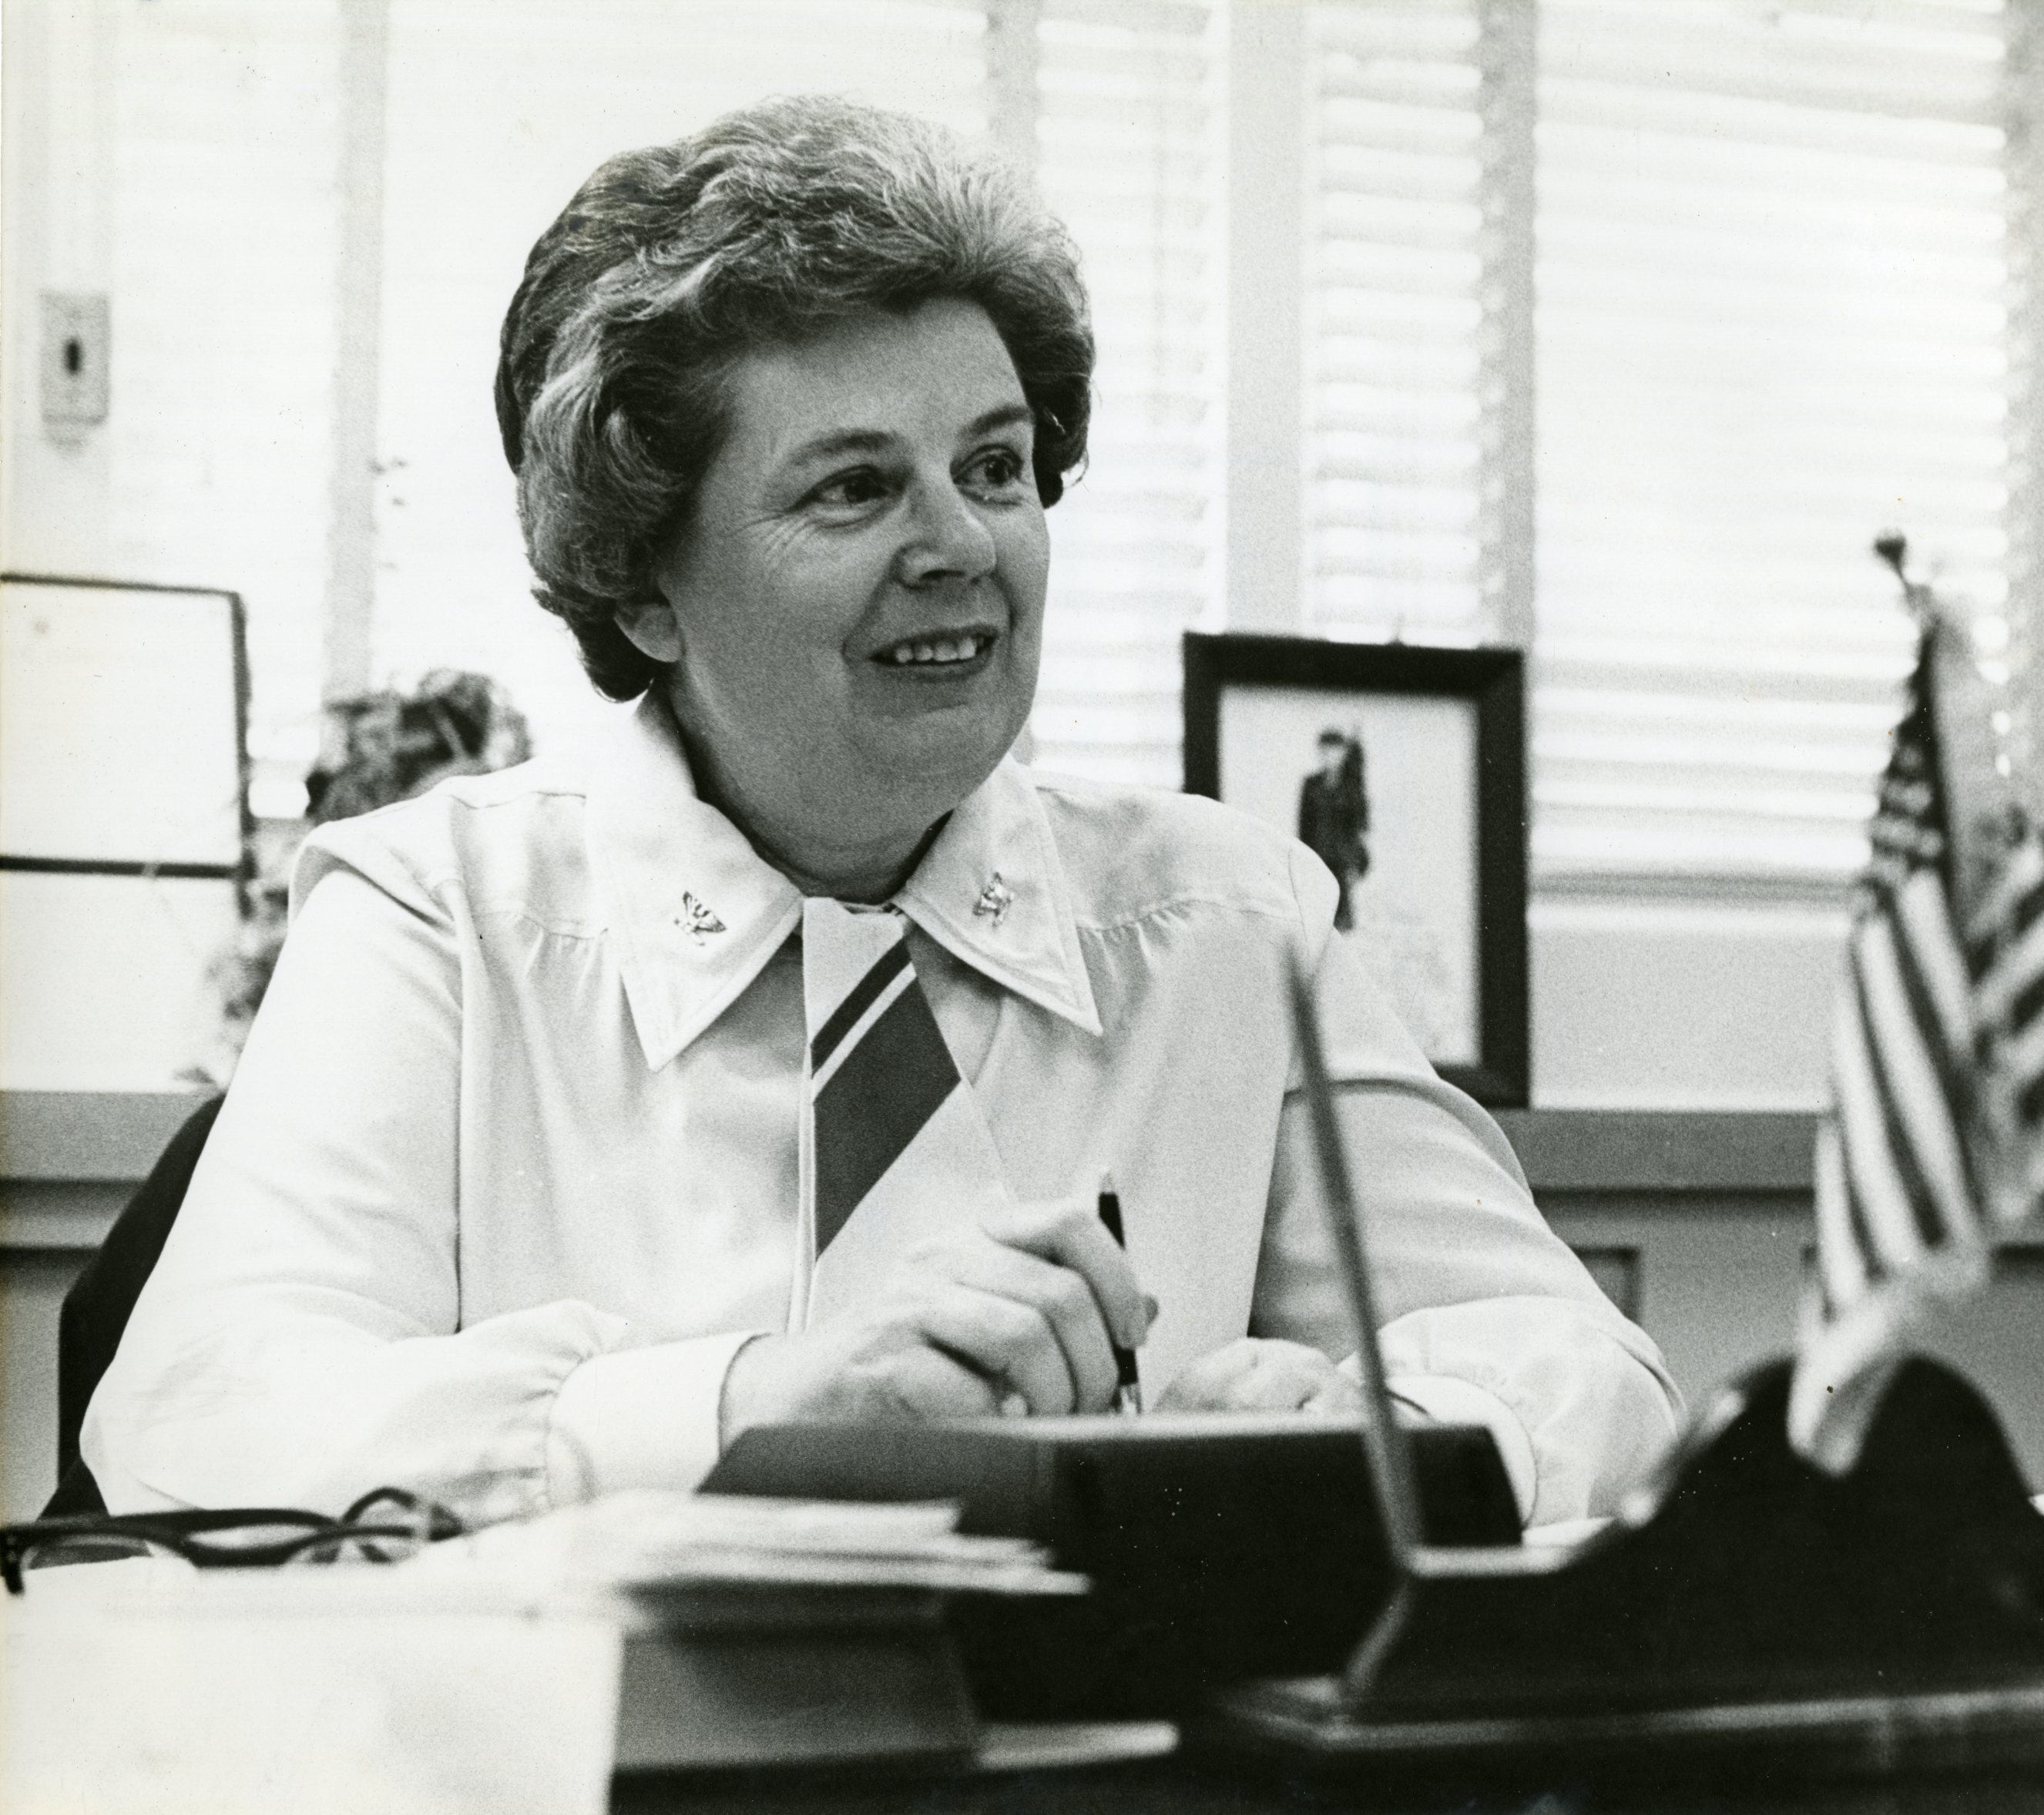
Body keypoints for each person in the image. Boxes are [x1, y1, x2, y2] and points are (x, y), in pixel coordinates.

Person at [87, 96, 1678, 1530]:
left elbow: (1583, 1370)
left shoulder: (1230, 919)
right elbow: (194, 1420)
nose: (962, 546)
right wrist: (748, 1408)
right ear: (643, 581)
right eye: (853, 487)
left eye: (994, 466)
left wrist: (1365, 1428)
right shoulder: (438, 909)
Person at [1297, 729, 1369, 932]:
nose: (1330, 757)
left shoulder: (1352, 787)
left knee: (1342, 921)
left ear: (1344, 754)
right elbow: (1303, 827)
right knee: (1317, 917)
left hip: (1342, 863)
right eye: (1326, 751)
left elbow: (1359, 828)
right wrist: (1303, 860)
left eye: (1335, 752)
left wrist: (1354, 863)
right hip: (1318, 859)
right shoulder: (1310, 784)